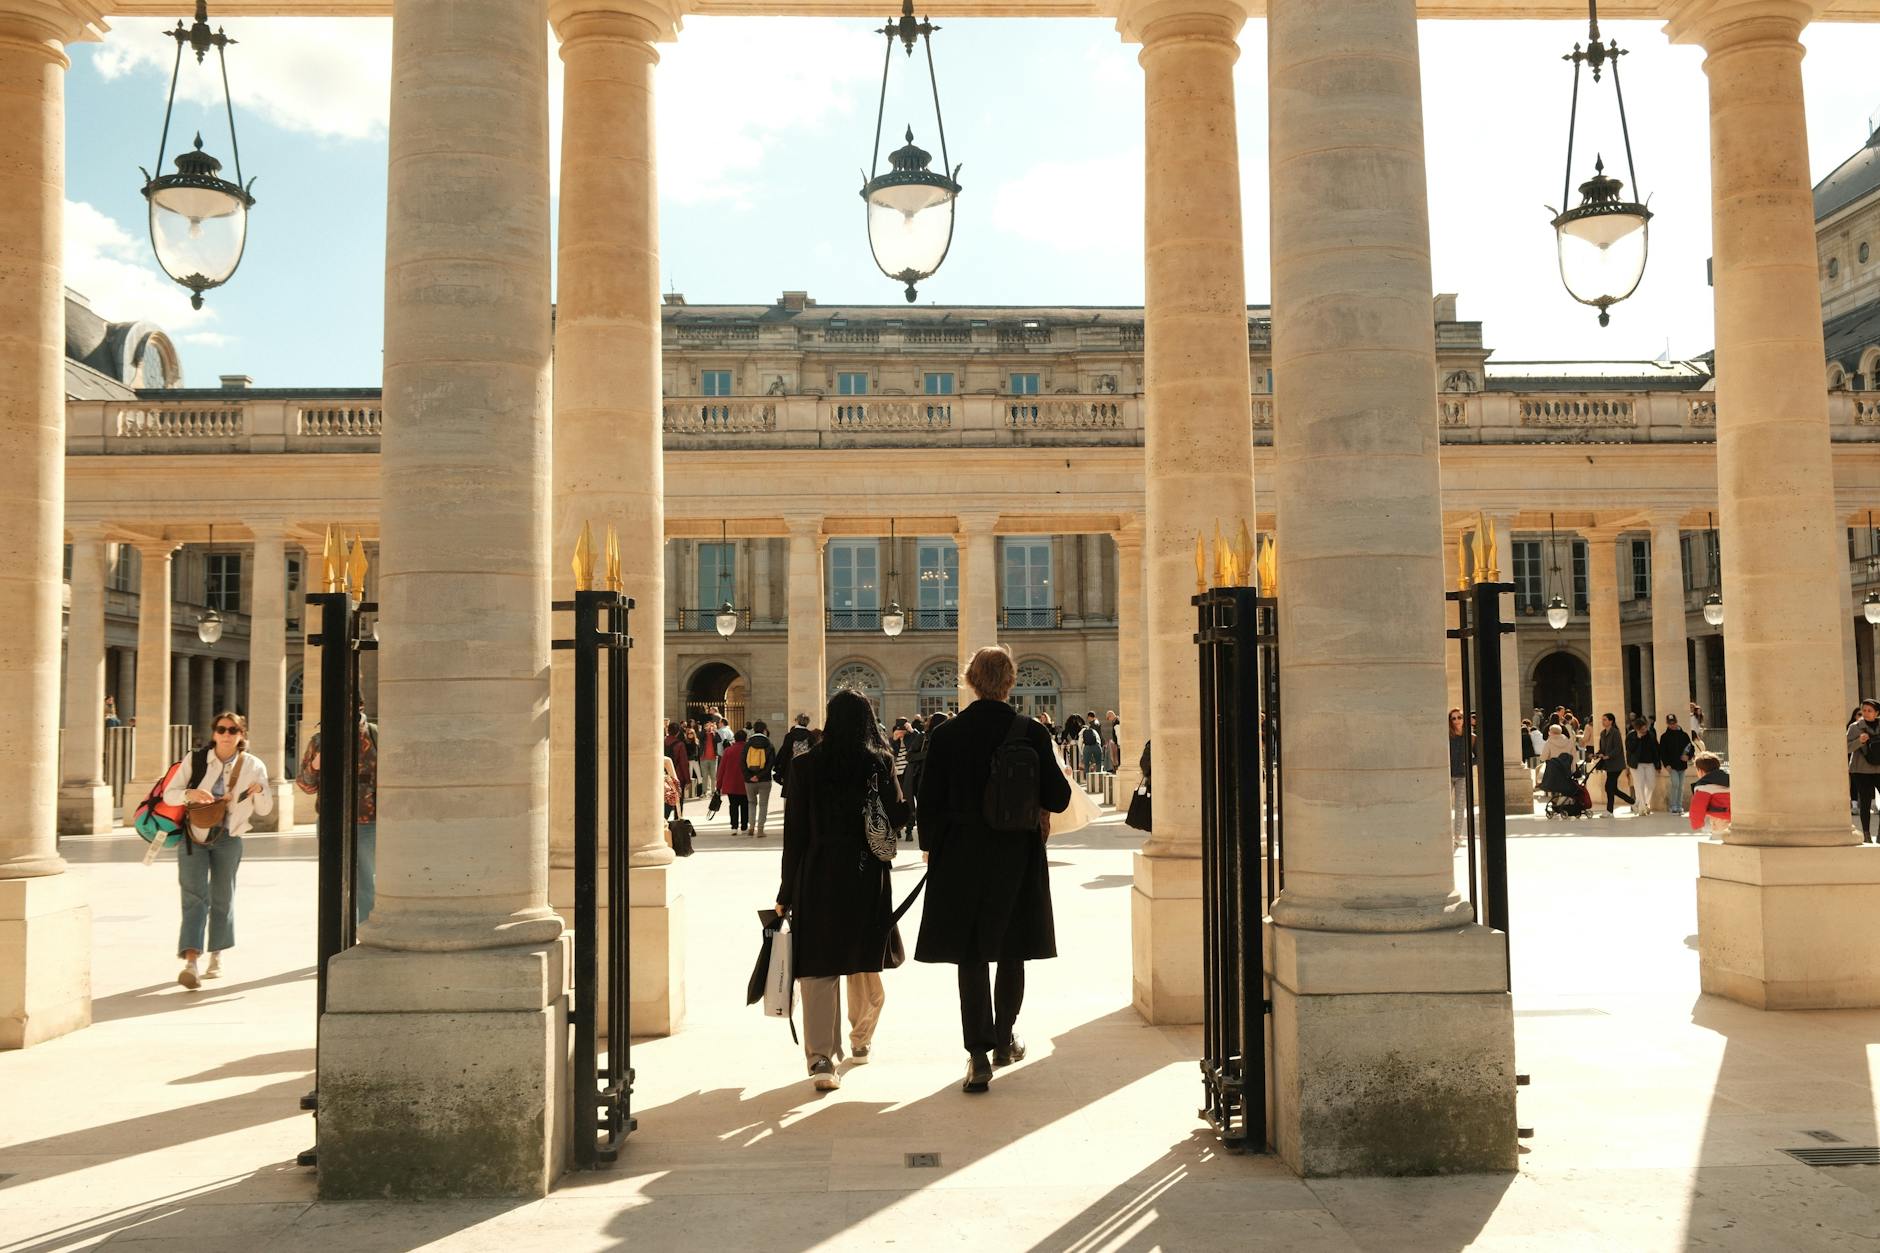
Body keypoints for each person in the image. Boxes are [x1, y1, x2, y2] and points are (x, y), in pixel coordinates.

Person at [916, 645, 1072, 1094]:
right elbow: (1059, 799)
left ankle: (979, 1055)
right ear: (1010, 681)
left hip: (962, 854)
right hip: (1015, 853)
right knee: (1012, 947)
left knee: (971, 954)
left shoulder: (947, 734)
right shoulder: (1029, 732)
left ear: (969, 680)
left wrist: (931, 848)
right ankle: (1005, 1040)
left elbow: (929, 803)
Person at [774, 688, 909, 1091]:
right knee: (863, 958)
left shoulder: (805, 766)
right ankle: (861, 1039)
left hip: (818, 871)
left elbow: (794, 835)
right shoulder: (879, 762)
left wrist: (786, 890)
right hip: (866, 873)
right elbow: (899, 815)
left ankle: (820, 1060)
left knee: (819, 964)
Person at [166, 711, 272, 989]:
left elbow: (265, 810)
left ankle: (217, 954)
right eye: (222, 729)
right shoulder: (196, 759)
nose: (227, 735)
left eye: (233, 730)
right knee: (193, 897)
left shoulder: (253, 765)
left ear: (242, 735)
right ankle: (191, 961)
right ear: (214, 733)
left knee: (223, 897)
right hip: (194, 836)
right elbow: (169, 794)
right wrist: (190, 794)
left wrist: (259, 790)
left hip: (229, 837)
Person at [295, 696, 380, 925]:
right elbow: (305, 785)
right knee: (332, 881)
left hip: (368, 822)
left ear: (360, 706)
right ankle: (338, 932)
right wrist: (315, 765)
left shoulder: (375, 735)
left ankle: (366, 935)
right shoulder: (320, 740)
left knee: (366, 882)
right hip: (331, 820)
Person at [1849, 700, 1880, 842]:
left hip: (1878, 769)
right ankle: (1867, 834)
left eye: (1870, 710)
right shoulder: (1855, 727)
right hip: (1860, 770)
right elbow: (1846, 747)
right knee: (1866, 802)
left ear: (1877, 713)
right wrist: (1859, 741)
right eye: (1864, 710)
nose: (1866, 713)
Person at [1593, 712, 1634, 817]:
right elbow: (1602, 749)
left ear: (1611, 721)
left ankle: (1610, 810)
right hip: (1608, 765)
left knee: (1609, 787)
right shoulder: (1602, 733)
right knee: (1613, 788)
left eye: (1605, 719)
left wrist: (1608, 756)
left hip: (1616, 764)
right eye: (1602, 719)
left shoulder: (1615, 732)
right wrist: (1597, 755)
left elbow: (1618, 748)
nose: (1603, 721)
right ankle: (1633, 802)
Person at [1659, 714, 1695, 817]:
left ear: (1677, 722)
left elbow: (1690, 747)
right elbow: (1662, 752)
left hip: (1682, 765)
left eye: (1674, 723)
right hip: (1672, 766)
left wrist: (1688, 756)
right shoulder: (1664, 737)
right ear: (1667, 724)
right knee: (1675, 784)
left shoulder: (1684, 735)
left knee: (1681, 786)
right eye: (1670, 723)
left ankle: (1679, 805)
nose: (1672, 725)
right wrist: (1666, 764)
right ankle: (1673, 805)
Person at [1447, 708, 1473, 848]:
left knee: (1460, 806)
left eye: (1459, 717)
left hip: (1462, 775)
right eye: (1453, 718)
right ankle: (1446, 835)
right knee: (1445, 806)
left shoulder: (1471, 737)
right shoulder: (1446, 736)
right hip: (1447, 775)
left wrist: (1467, 762)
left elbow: (1478, 755)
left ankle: (1457, 836)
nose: (1457, 720)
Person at [717, 726, 751, 834]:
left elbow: (721, 769)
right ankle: (744, 826)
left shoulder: (728, 751)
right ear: (745, 738)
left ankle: (734, 827)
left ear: (735, 739)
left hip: (731, 783)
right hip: (745, 782)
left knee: (733, 805)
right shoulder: (749, 750)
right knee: (745, 804)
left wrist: (718, 785)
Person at [744, 720, 775, 837]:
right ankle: (760, 830)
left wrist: (750, 776)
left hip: (749, 781)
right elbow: (771, 763)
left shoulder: (748, 744)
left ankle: (751, 827)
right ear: (764, 730)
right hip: (765, 780)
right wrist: (760, 775)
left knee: (751, 803)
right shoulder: (769, 744)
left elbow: (742, 762)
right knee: (763, 804)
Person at [1688, 752, 1731, 834]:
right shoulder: (1730, 779)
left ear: (1700, 771)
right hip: (1735, 818)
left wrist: (1697, 824)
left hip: (1718, 819)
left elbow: (1697, 808)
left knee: (1720, 840)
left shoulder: (1703, 786)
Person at [1626, 716, 1660, 818]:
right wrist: (1638, 738)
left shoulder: (1651, 735)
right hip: (1636, 764)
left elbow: (1656, 750)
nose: (1644, 730)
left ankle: (1644, 803)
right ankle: (1642, 808)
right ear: (1637, 729)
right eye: (1642, 728)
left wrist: (1658, 764)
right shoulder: (1631, 735)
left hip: (1650, 763)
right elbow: (1630, 749)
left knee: (1651, 785)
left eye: (1645, 727)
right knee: (1639, 785)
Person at [777, 714, 814, 798]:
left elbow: (784, 754)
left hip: (791, 767)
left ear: (797, 721)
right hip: (806, 768)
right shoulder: (811, 735)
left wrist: (781, 771)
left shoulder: (789, 736)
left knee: (790, 794)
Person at [663, 721, 690, 808]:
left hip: (663, 774)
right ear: (678, 732)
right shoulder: (680, 745)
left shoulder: (662, 742)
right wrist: (688, 780)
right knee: (678, 801)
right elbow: (684, 763)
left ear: (668, 730)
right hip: (677, 775)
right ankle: (677, 818)